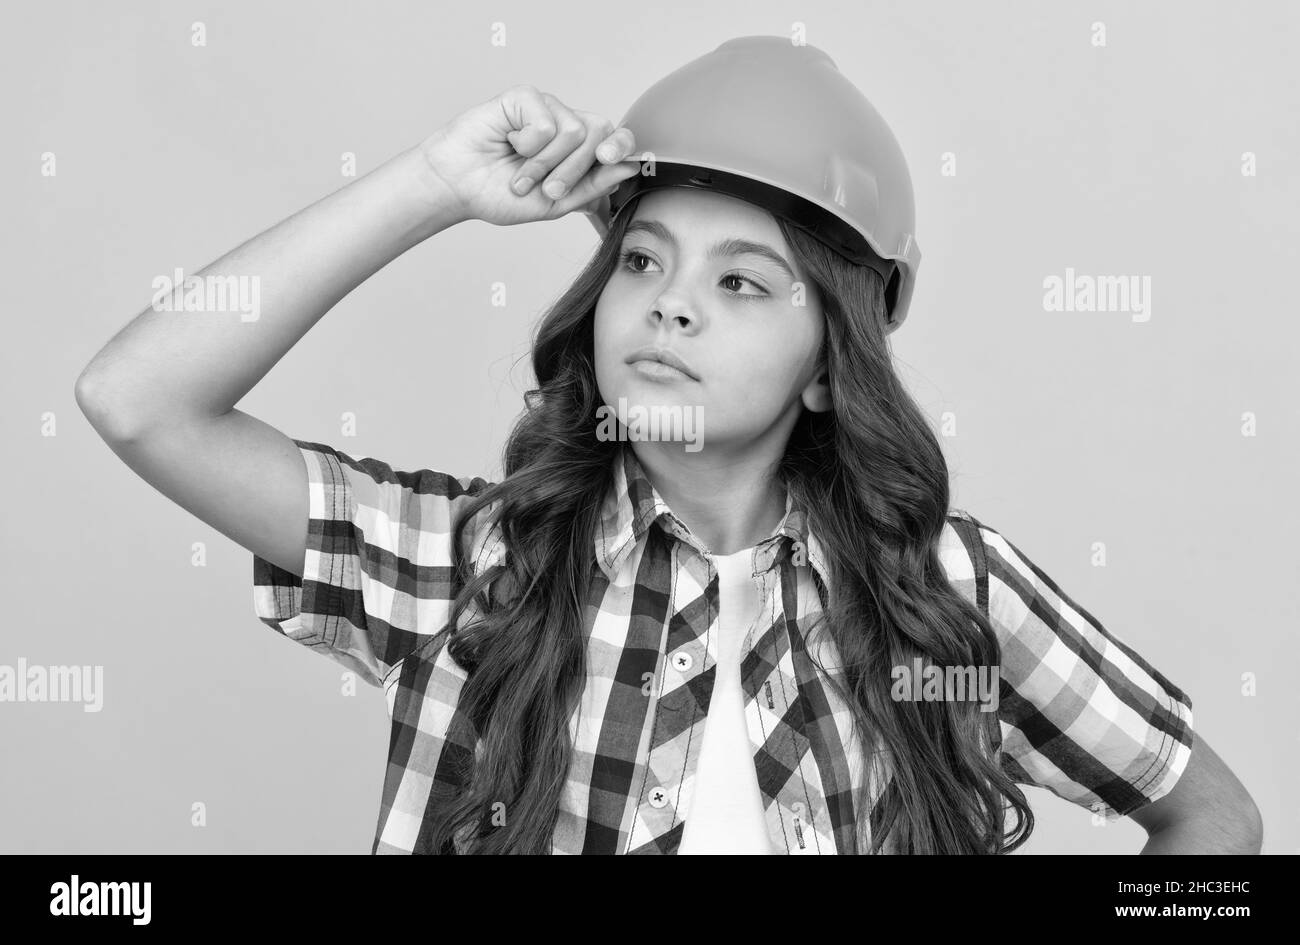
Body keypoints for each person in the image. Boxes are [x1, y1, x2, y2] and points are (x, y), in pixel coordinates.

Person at [75, 37, 1261, 855]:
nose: (671, 304)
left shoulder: (947, 598)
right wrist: (435, 184)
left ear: (827, 363)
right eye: (642, 260)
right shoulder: (475, 567)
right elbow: (139, 400)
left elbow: (1210, 815)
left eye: (742, 281)